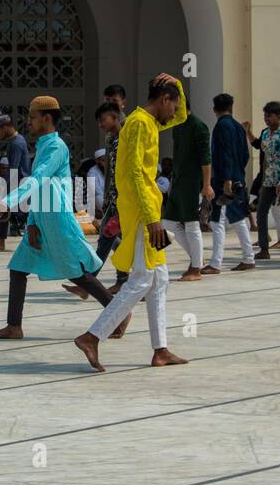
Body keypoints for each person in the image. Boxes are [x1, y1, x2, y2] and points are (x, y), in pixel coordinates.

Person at [0, 96, 127, 340]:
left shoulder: (57, 147)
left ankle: (119, 315)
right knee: (18, 268)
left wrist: (7, 201)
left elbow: (37, 178)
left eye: (32, 117)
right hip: (41, 219)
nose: (29, 122)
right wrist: (31, 223)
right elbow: (39, 188)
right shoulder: (43, 145)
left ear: (47, 118)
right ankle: (14, 326)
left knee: (77, 273)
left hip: (57, 220)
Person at [74, 74, 189, 372]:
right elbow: (136, 173)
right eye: (172, 104)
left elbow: (182, 116)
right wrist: (151, 219)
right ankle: (91, 336)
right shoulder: (139, 123)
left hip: (146, 210)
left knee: (159, 279)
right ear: (164, 100)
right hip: (141, 213)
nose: (173, 112)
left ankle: (160, 350)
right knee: (142, 279)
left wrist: (177, 83)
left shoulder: (149, 121)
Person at [63, 102, 128, 297]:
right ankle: (100, 283)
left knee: (119, 243)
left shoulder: (127, 138)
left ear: (115, 116)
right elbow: (111, 174)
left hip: (125, 202)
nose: (100, 124)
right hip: (114, 201)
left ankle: (132, 284)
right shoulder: (112, 140)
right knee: (107, 241)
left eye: (103, 120)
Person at [161, 91, 212, 280]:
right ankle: (197, 258)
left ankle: (196, 268)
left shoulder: (199, 126)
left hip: (192, 181)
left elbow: (206, 158)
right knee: (169, 223)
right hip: (178, 181)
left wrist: (207, 184)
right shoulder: (177, 126)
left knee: (191, 224)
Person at [204, 93, 254, 272]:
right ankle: (248, 257)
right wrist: (237, 173)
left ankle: (215, 263)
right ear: (231, 107)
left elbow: (223, 154)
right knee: (238, 219)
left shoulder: (220, 127)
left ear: (214, 109)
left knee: (217, 221)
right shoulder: (239, 127)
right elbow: (245, 155)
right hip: (237, 178)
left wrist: (227, 179)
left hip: (223, 182)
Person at [243, 101, 280, 259]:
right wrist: (248, 132)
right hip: (268, 180)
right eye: (265, 115)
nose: (266, 118)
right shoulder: (265, 133)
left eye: (269, 115)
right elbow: (259, 147)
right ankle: (264, 248)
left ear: (278, 116)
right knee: (261, 212)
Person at [0, 113, 32, 245]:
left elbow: (13, 168)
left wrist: (4, 185)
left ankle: (2, 241)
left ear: (5, 127)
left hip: (19, 183)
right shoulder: (17, 140)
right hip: (19, 182)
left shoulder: (16, 143)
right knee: (5, 209)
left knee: (24, 215)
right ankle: (0, 241)